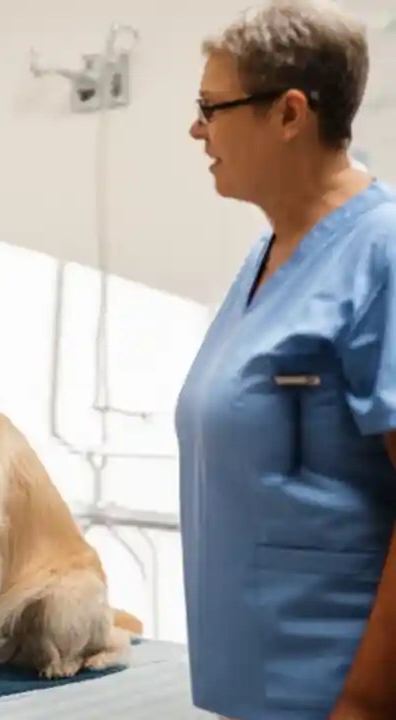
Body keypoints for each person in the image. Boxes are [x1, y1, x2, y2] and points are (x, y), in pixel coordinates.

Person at [175, 3, 396, 719]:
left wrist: (362, 702)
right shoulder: (267, 256)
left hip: (331, 691)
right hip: (250, 690)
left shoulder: (380, 254)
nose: (196, 130)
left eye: (211, 107)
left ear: (290, 113)